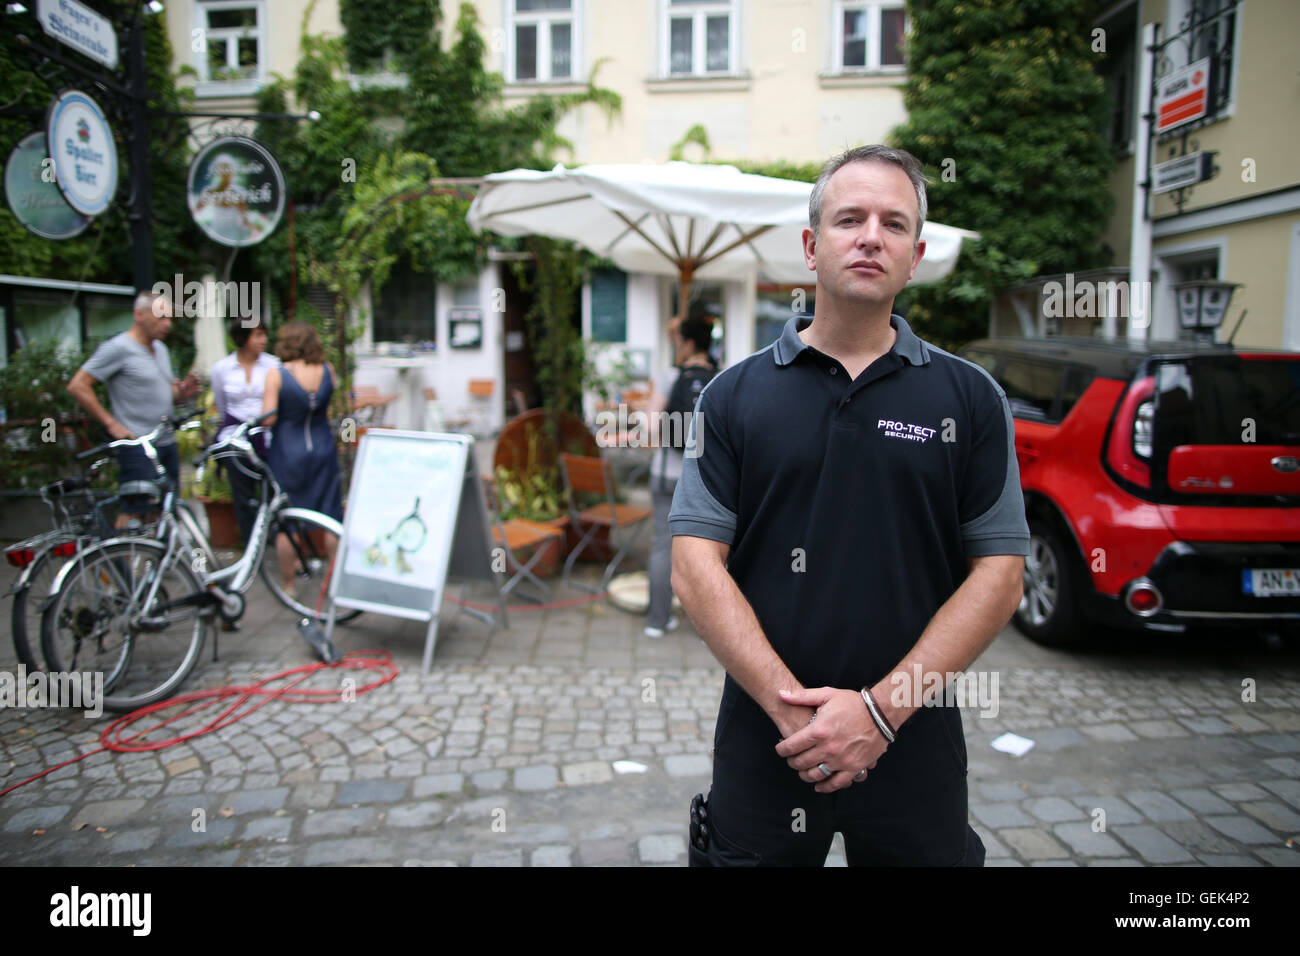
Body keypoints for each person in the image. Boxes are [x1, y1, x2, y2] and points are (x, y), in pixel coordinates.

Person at [669, 145, 1029, 867]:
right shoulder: (734, 396)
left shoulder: (969, 399)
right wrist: (798, 716)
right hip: (768, 744)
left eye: (894, 223)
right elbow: (692, 570)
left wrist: (878, 713)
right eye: (849, 218)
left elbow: (1000, 576)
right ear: (811, 245)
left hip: (914, 744)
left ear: (915, 253)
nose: (871, 236)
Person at [67, 291, 200, 525]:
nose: (167, 324)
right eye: (161, 318)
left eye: (169, 318)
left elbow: (164, 393)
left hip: (165, 441)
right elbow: (78, 386)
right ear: (139, 315)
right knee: (135, 509)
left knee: (163, 509)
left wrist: (182, 393)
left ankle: (155, 560)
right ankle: (124, 558)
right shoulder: (117, 348)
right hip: (137, 444)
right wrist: (112, 424)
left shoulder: (161, 350)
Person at [644, 315, 716, 638]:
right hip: (706, 482)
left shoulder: (670, 377)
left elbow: (648, 428)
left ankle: (657, 622)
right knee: (709, 554)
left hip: (666, 474)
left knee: (663, 547)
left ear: (687, 343)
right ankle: (710, 631)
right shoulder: (724, 378)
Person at [261, 321, 343, 593]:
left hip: (287, 451)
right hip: (322, 447)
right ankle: (334, 581)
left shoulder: (276, 374)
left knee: (287, 520)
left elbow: (269, 418)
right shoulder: (328, 370)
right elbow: (330, 412)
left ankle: (288, 586)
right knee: (330, 516)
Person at [210, 313, 279, 545]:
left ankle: (272, 537)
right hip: (235, 436)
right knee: (242, 494)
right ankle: (249, 542)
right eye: (257, 334)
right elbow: (222, 404)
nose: (263, 340)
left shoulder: (273, 365)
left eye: (264, 334)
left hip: (266, 435)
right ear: (243, 337)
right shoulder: (222, 369)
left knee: (270, 489)